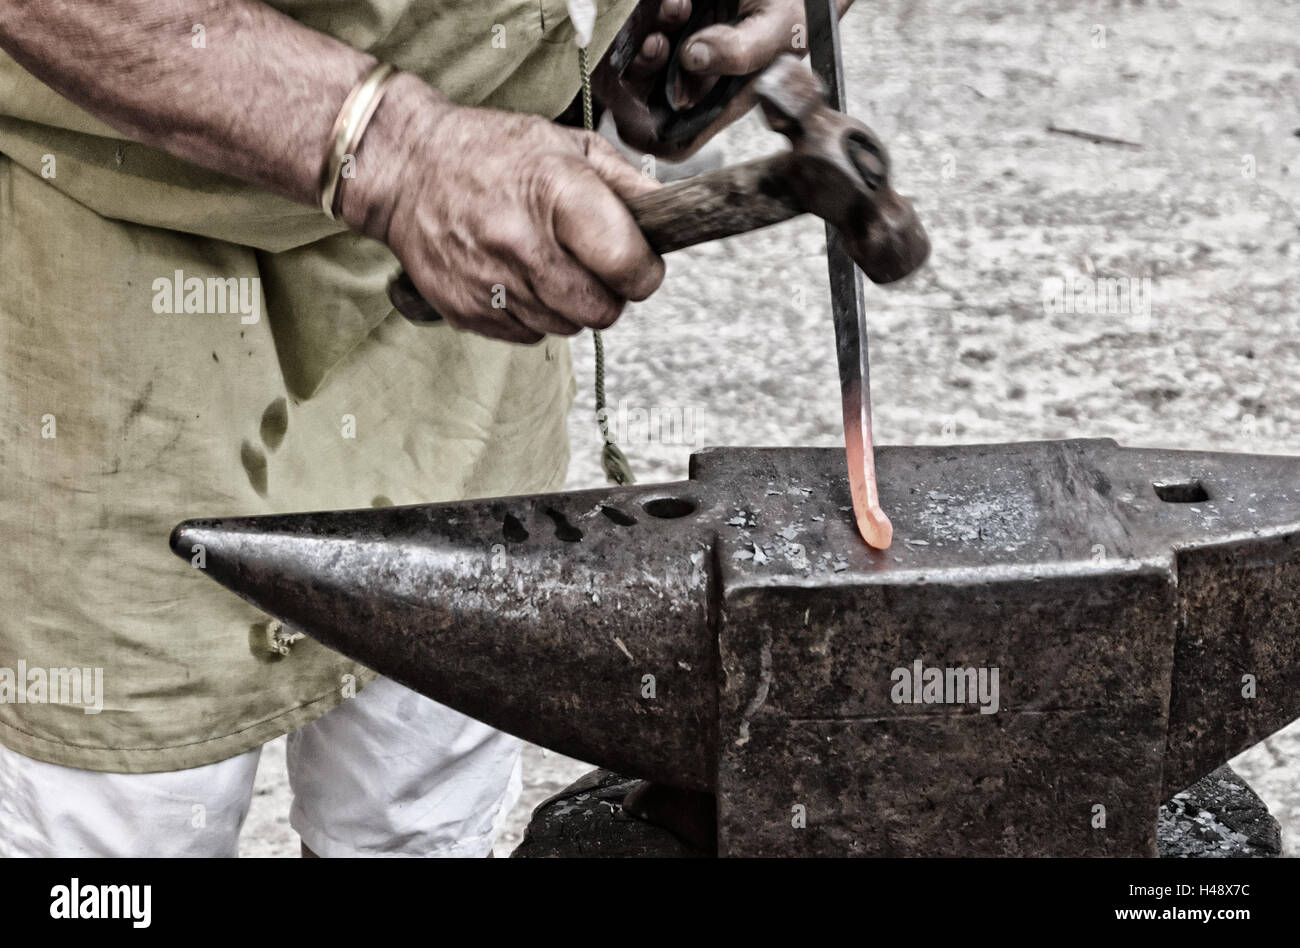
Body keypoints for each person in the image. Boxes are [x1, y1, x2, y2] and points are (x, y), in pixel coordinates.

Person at [0, 0, 843, 857]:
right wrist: (399, 152)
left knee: (421, 808)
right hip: (114, 268)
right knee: (124, 833)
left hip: (486, 223)